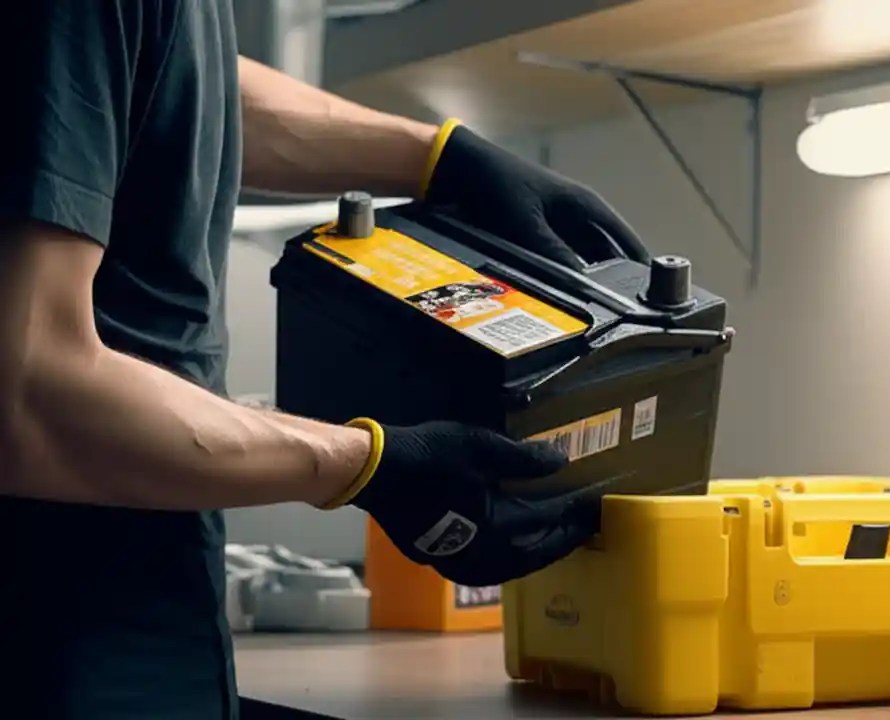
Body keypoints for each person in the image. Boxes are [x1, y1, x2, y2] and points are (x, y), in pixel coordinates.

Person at [0, 3, 648, 719]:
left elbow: (175, 84)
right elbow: (30, 395)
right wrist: (367, 464)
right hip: (58, 623)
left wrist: (438, 158)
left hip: (146, 590)